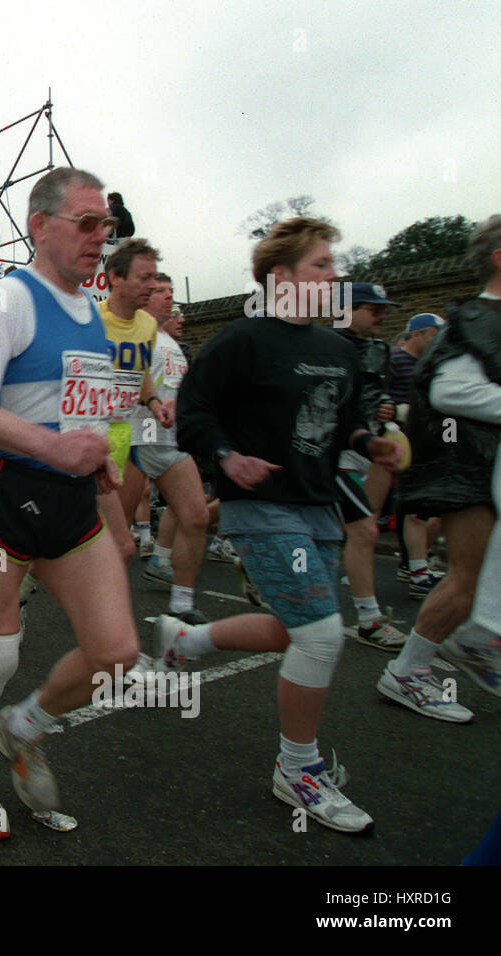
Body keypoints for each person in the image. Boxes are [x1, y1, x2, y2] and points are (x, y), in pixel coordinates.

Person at [168, 216, 405, 833]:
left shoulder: (335, 350)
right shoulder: (241, 342)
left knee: (293, 629)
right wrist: (225, 456)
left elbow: (345, 420)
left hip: (318, 505)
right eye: (322, 264)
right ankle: (297, 767)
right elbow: (192, 414)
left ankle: (186, 642)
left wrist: (368, 443)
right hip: (261, 508)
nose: (334, 275)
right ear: (282, 276)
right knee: (323, 635)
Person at [0, 167, 135, 840]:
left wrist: (104, 476)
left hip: (75, 503)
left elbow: (78, 416)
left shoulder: (92, 312)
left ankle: (23, 727)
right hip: (8, 498)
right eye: (86, 223)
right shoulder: (7, 301)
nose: (98, 237)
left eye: (104, 225)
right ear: (40, 226)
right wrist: (53, 450)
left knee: (117, 655)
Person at [382, 214, 501, 715]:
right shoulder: (480, 316)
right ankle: (409, 671)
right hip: (466, 468)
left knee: (473, 578)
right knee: (465, 578)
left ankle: (479, 643)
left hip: (477, 464)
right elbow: (449, 390)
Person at [123, 272, 212, 623]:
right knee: (117, 537)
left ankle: (181, 605)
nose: (168, 297)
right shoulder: (136, 337)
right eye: (160, 291)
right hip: (137, 436)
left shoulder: (173, 344)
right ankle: (96, 604)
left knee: (196, 515)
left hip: (170, 441)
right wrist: (152, 405)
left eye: (171, 292)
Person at [328, 282, 406, 649]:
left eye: (384, 309)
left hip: (370, 447)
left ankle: (255, 558)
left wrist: (387, 407)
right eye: (374, 309)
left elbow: (378, 390)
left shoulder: (380, 348)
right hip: (335, 448)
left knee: (361, 526)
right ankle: (369, 619)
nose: (382, 316)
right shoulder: (325, 347)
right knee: (363, 531)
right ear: (348, 310)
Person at [97, 238, 170, 564]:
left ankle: (26, 591)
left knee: (101, 536)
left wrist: (153, 402)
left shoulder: (147, 324)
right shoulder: (91, 320)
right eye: (144, 278)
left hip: (123, 432)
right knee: (114, 542)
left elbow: (141, 373)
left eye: (155, 278)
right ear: (116, 277)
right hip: (89, 435)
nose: (152, 286)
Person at [389, 312, 446, 599]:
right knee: (410, 511)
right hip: (394, 443)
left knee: (422, 509)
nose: (439, 342)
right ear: (419, 333)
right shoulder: (395, 359)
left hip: (422, 442)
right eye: (435, 335)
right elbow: (379, 397)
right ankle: (418, 571)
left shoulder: (431, 365)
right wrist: (400, 413)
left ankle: (412, 565)